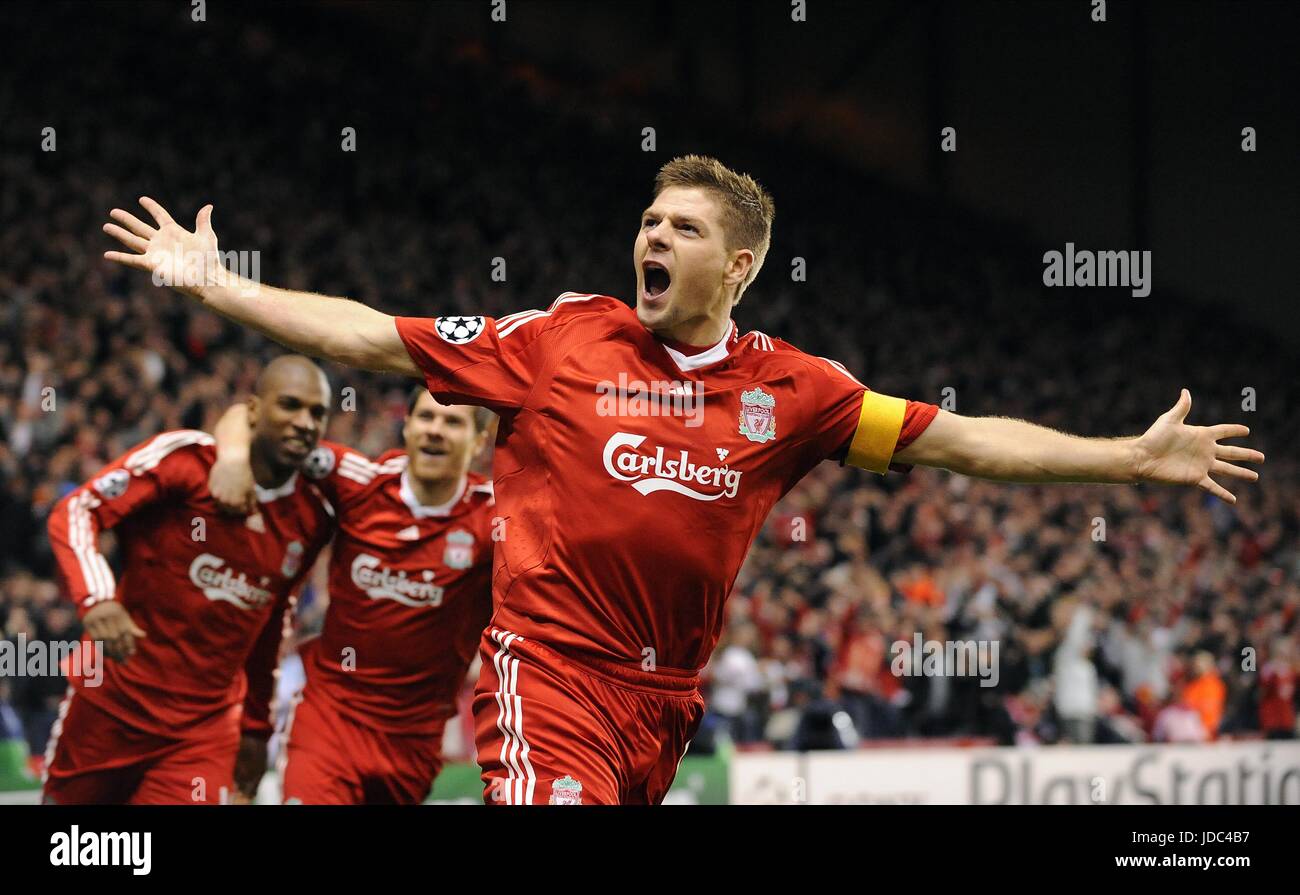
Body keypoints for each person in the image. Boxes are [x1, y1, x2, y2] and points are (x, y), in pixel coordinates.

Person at [101, 155, 1264, 804]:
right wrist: (219, 286)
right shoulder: (561, 339)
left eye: (680, 229)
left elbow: (961, 442)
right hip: (545, 666)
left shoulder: (795, 392)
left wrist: (1126, 458)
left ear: (738, 264)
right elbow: (368, 336)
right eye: (647, 221)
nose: (649, 239)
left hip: (664, 703)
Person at [42, 356, 334, 804]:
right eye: (290, 405)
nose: (304, 422)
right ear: (253, 411)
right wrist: (97, 598)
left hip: (200, 731)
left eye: (317, 413)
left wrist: (255, 727)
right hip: (110, 702)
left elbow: (270, 625)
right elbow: (78, 510)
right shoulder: (184, 460)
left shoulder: (311, 518)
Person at [207, 387, 495, 803]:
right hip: (329, 720)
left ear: (479, 441)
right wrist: (233, 460)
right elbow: (251, 419)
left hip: (413, 741)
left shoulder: (495, 518)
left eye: (452, 422)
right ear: (408, 426)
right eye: (426, 418)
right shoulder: (357, 481)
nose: (435, 431)